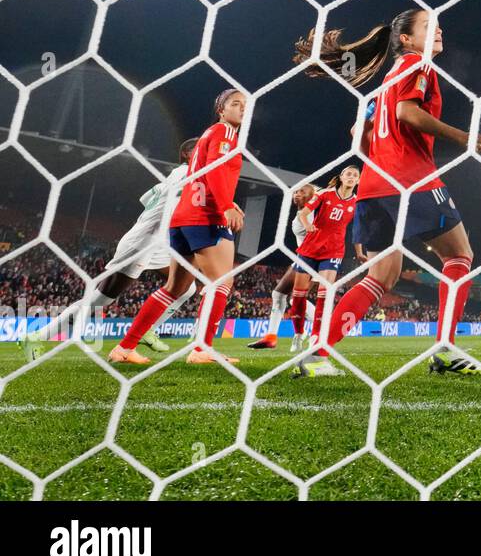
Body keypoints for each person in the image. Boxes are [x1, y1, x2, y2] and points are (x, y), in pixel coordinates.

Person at [292, 9, 481, 377]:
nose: (439, 30)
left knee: (380, 276)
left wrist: (380, 165)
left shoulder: (385, 81)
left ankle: (317, 355)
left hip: (373, 185)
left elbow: (357, 133)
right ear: (406, 40)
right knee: (460, 256)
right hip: (411, 179)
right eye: (429, 26)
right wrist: (462, 138)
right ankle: (445, 349)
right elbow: (407, 113)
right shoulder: (419, 65)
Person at [20, 138, 200, 361]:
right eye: (201, 148)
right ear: (186, 155)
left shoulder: (182, 177)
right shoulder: (184, 173)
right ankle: (37, 335)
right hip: (142, 241)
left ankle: (146, 330)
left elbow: (148, 200)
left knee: (186, 287)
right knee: (102, 299)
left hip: (159, 242)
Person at [109, 89, 247, 365]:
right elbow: (215, 171)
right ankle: (202, 349)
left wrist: (227, 200)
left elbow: (203, 174)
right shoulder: (225, 133)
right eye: (236, 104)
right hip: (206, 217)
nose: (243, 109)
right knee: (221, 282)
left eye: (246, 105)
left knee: (174, 287)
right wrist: (225, 206)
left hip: (183, 217)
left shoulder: (209, 135)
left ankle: (124, 348)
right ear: (221, 110)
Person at [291, 166, 360, 354]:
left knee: (325, 292)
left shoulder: (356, 202)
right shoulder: (325, 194)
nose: (352, 177)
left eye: (355, 175)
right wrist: (308, 225)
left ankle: (316, 335)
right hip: (310, 248)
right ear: (341, 177)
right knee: (298, 295)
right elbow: (302, 213)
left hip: (334, 251)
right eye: (349, 174)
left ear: (358, 181)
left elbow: (357, 230)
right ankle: (298, 334)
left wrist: (359, 251)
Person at [247, 183, 315, 350]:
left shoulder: (315, 213)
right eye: (296, 191)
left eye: (302, 192)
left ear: (312, 196)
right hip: (301, 258)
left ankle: (322, 330)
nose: (297, 194)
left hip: (315, 259)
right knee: (278, 294)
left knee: (295, 299)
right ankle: (270, 337)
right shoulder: (300, 213)